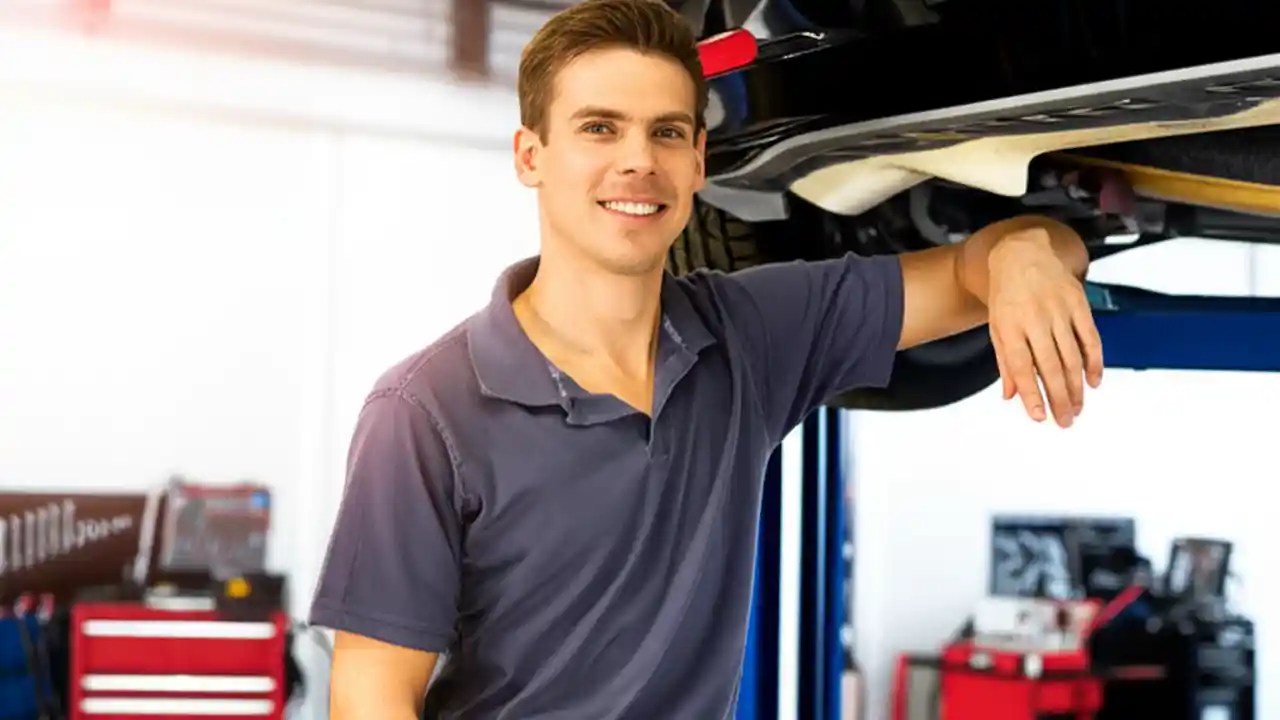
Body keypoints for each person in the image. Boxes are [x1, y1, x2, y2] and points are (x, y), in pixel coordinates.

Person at [309, 1, 1104, 718]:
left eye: (665, 132)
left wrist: (1022, 254)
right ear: (530, 156)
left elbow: (986, 267)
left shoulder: (750, 336)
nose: (638, 161)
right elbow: (370, 696)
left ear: (697, 161)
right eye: (599, 128)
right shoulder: (425, 411)